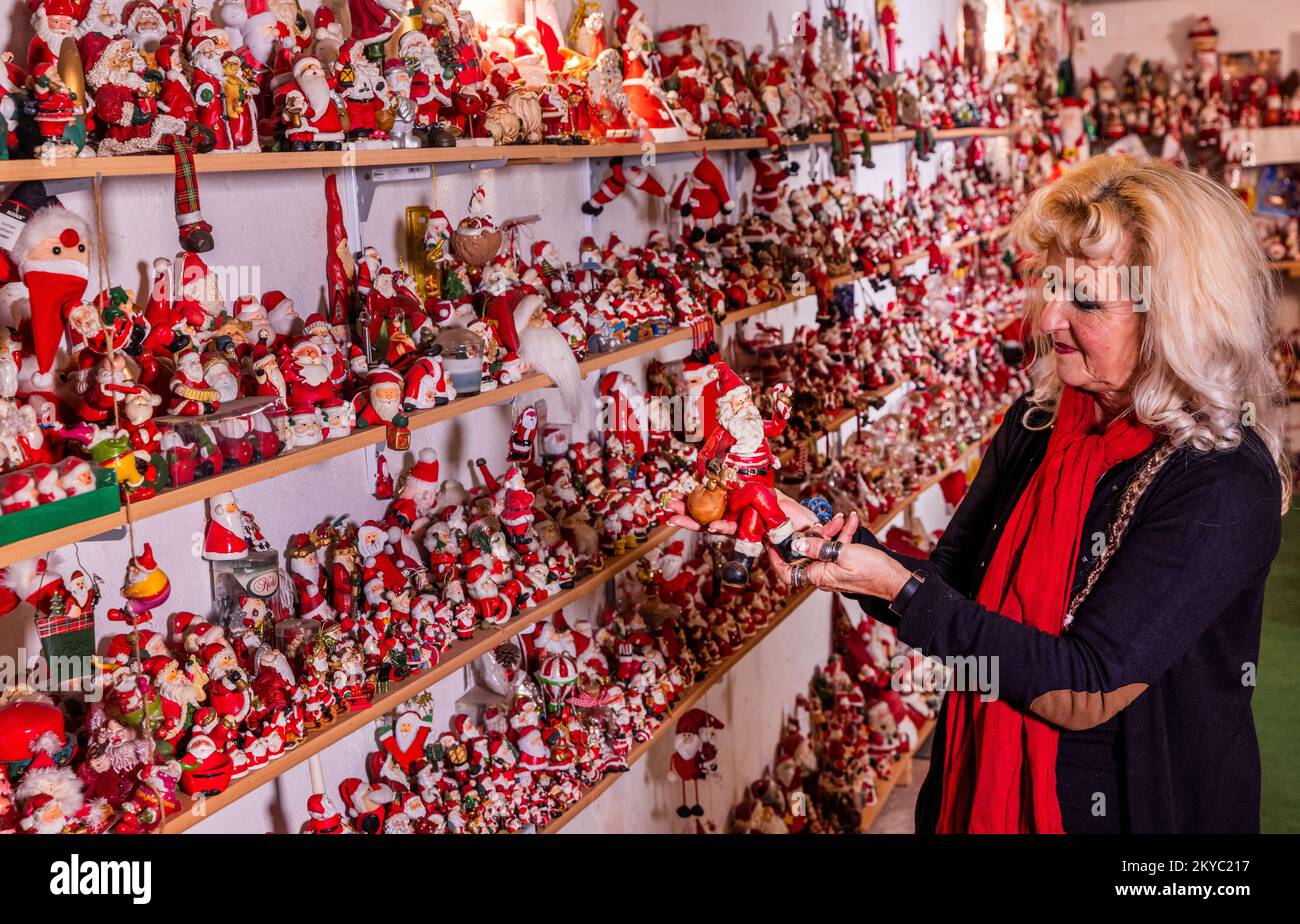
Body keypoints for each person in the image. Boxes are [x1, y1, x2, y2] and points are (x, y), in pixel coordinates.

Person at [668, 156, 1288, 833]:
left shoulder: (1221, 479)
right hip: (976, 798)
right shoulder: (1041, 425)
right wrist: (822, 537)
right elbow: (953, 594)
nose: (1050, 319)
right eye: (1051, 286)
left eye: (1086, 299)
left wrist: (898, 590)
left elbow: (1084, 686)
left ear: (1176, 316)